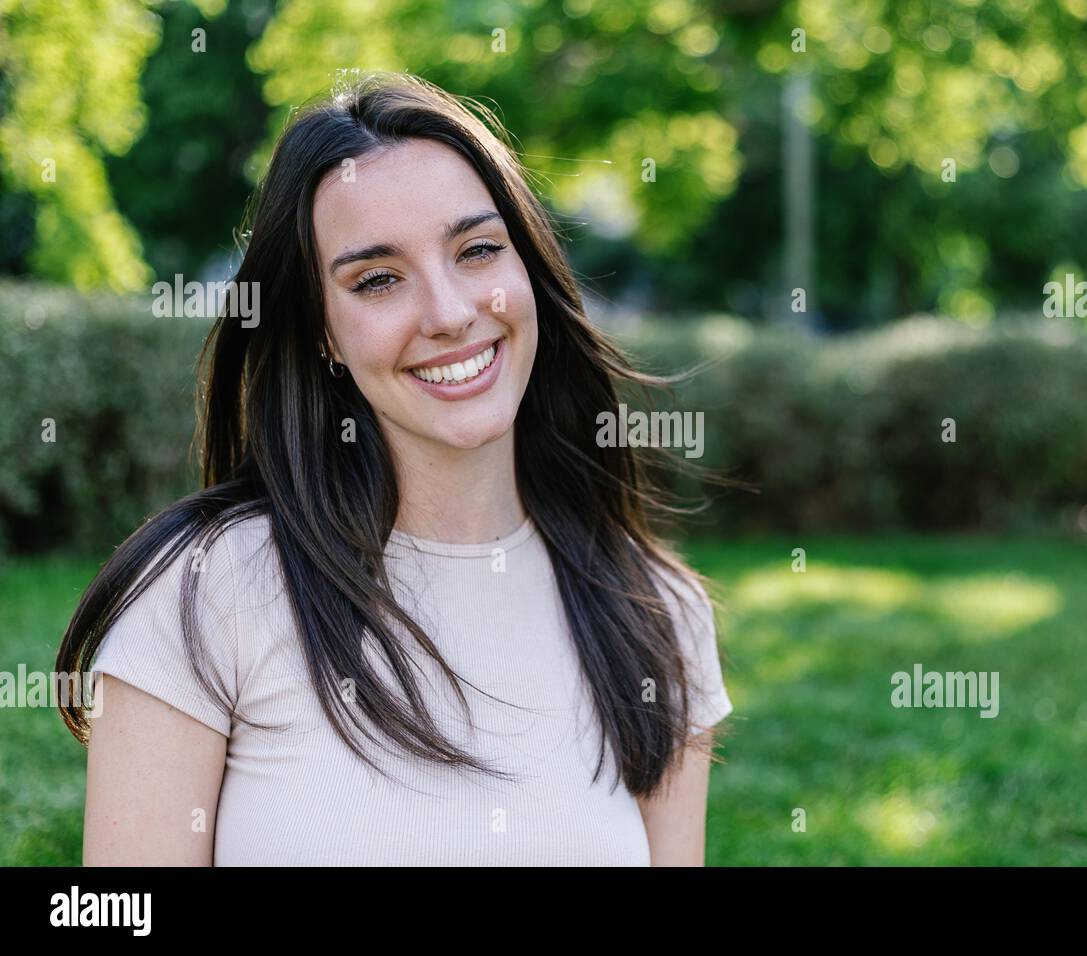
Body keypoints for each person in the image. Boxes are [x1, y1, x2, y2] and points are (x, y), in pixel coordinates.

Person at [55, 72, 734, 866]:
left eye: (477, 250)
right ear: (322, 333)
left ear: (530, 274)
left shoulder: (658, 614)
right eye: (378, 279)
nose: (448, 313)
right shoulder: (206, 594)